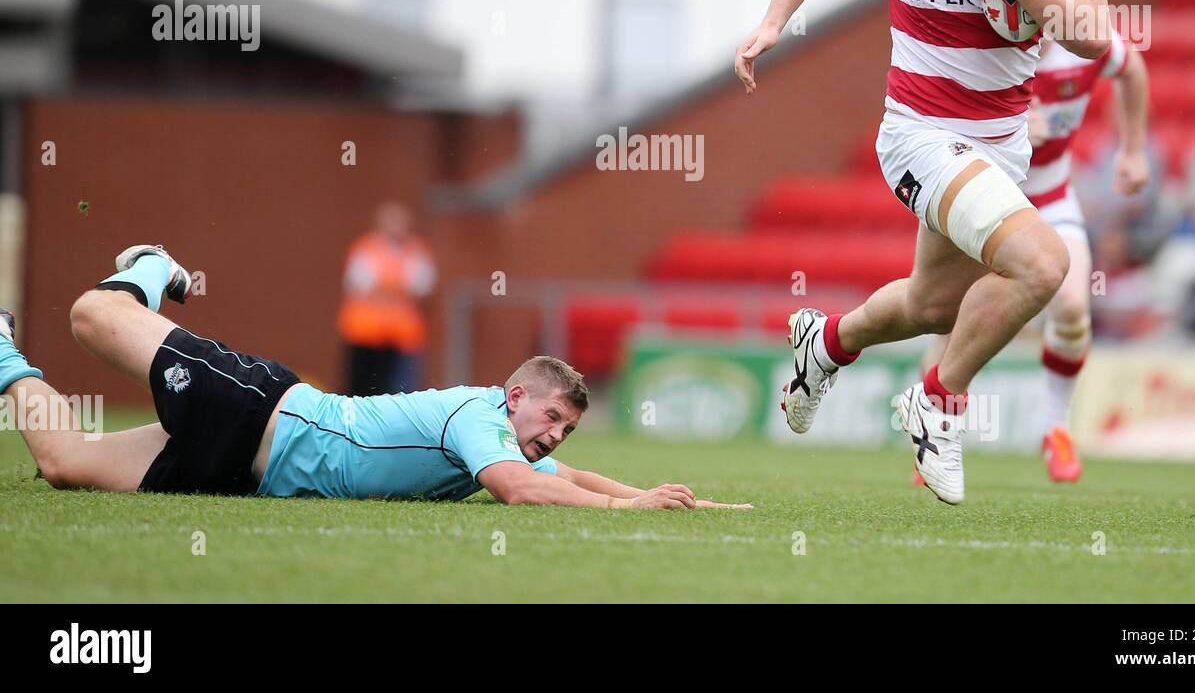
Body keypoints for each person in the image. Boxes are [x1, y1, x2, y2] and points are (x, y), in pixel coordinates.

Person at [735, 0, 1112, 504]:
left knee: (935, 306)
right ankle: (939, 400)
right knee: (1044, 265)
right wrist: (774, 20)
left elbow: (1095, 32)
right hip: (917, 136)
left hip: (999, 147)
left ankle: (828, 342)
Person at [0, 245, 750, 510]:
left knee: (63, 464)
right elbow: (523, 489)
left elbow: (572, 475)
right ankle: (154, 268)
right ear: (515, 395)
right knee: (92, 314)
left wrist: (672, 498)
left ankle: (2, 352)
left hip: (242, 471)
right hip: (257, 408)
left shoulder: (508, 439)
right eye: (551, 417)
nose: (553, 435)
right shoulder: (477, 420)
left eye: (564, 427)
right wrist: (629, 513)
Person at [925, 30, 1149, 482]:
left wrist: (1132, 150)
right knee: (944, 317)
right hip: (983, 202)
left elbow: (1132, 68)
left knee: (1070, 305)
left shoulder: (1082, 45)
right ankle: (934, 430)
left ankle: (1056, 429)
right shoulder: (980, 51)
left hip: (1050, 199)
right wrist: (1010, 129)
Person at [337, 202, 435, 395]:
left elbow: (423, 287)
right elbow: (357, 285)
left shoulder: (416, 251)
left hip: (403, 338)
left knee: (401, 395)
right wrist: (398, 289)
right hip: (365, 335)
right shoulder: (366, 248)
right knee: (361, 393)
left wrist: (383, 288)